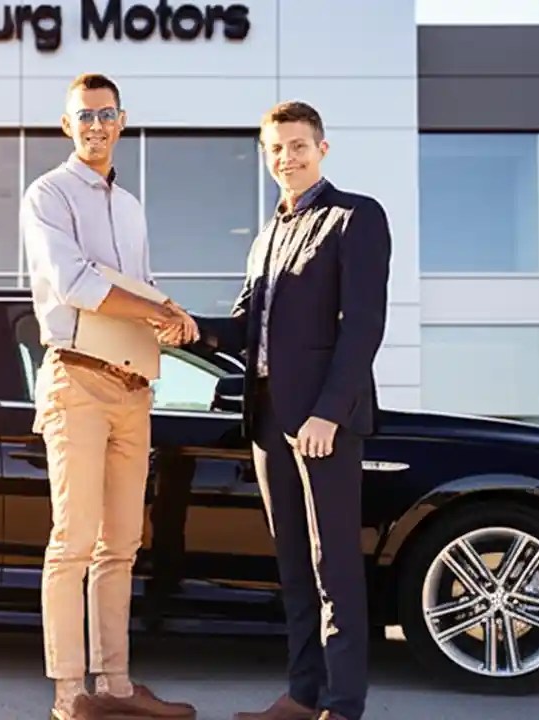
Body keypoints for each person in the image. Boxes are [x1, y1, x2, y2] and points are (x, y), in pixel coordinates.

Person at [195, 100, 391, 720]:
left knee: (335, 566)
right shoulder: (267, 236)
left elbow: (363, 326)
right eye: (276, 149)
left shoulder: (355, 217)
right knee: (295, 567)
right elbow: (241, 330)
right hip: (269, 422)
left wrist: (329, 413)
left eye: (299, 146)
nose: (287, 157)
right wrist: (173, 324)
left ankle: (343, 703)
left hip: (322, 425)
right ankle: (304, 695)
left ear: (322, 149)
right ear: (265, 156)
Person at [20, 72, 199, 720]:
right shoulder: (48, 194)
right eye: (84, 116)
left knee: (121, 543)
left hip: (133, 389)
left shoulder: (131, 207)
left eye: (107, 114)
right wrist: (159, 308)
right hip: (78, 381)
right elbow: (74, 281)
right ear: (67, 125)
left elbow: (139, 285)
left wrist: (173, 317)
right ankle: (71, 697)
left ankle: (116, 687)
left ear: (122, 121)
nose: (96, 125)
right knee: (72, 541)